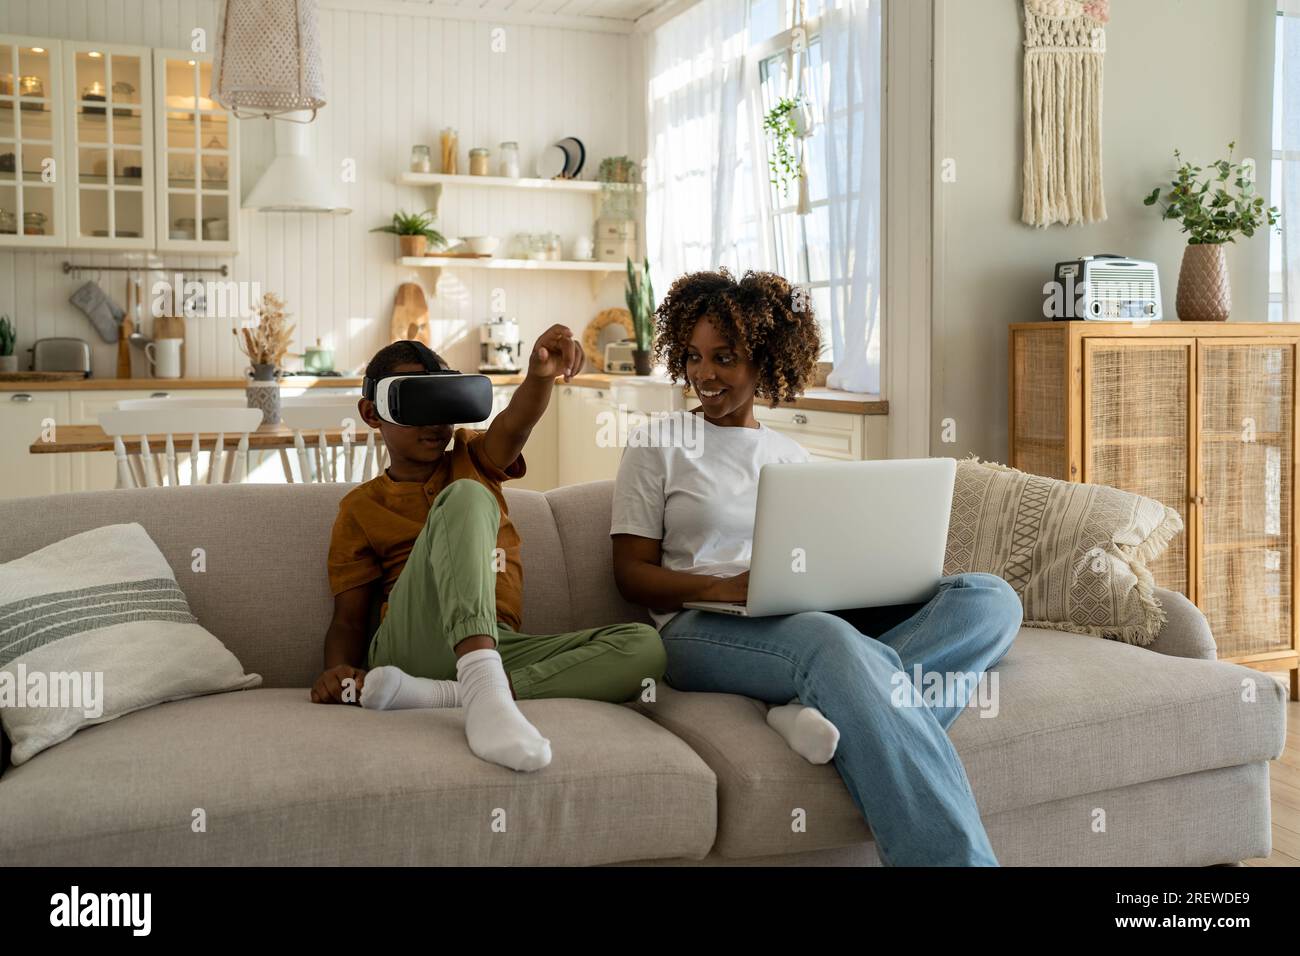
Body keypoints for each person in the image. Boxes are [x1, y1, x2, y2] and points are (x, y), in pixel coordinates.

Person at [610, 270, 1021, 865]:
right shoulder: (658, 444)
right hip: (696, 629)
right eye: (693, 357)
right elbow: (630, 575)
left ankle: (824, 707)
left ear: (765, 360)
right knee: (826, 639)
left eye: (724, 357)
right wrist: (721, 586)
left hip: (799, 615)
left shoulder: (795, 458)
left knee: (988, 599)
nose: (704, 374)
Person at [314, 328, 666, 774]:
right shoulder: (361, 507)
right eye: (417, 405)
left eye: (444, 405)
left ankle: (459, 692)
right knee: (468, 496)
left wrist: (540, 376)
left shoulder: (473, 457)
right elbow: (347, 618)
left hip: (496, 644)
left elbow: (515, 423)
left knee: (645, 647)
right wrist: (338, 670)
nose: (434, 422)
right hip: (412, 642)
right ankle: (482, 687)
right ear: (371, 412)